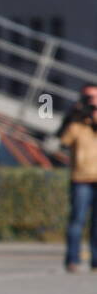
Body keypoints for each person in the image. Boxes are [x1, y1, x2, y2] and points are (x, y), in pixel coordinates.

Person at [59, 83, 97, 272]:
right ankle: (72, 260)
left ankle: (96, 260)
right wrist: (71, 118)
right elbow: (62, 141)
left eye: (94, 98)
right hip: (81, 178)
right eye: (88, 98)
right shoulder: (76, 122)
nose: (92, 102)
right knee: (77, 220)